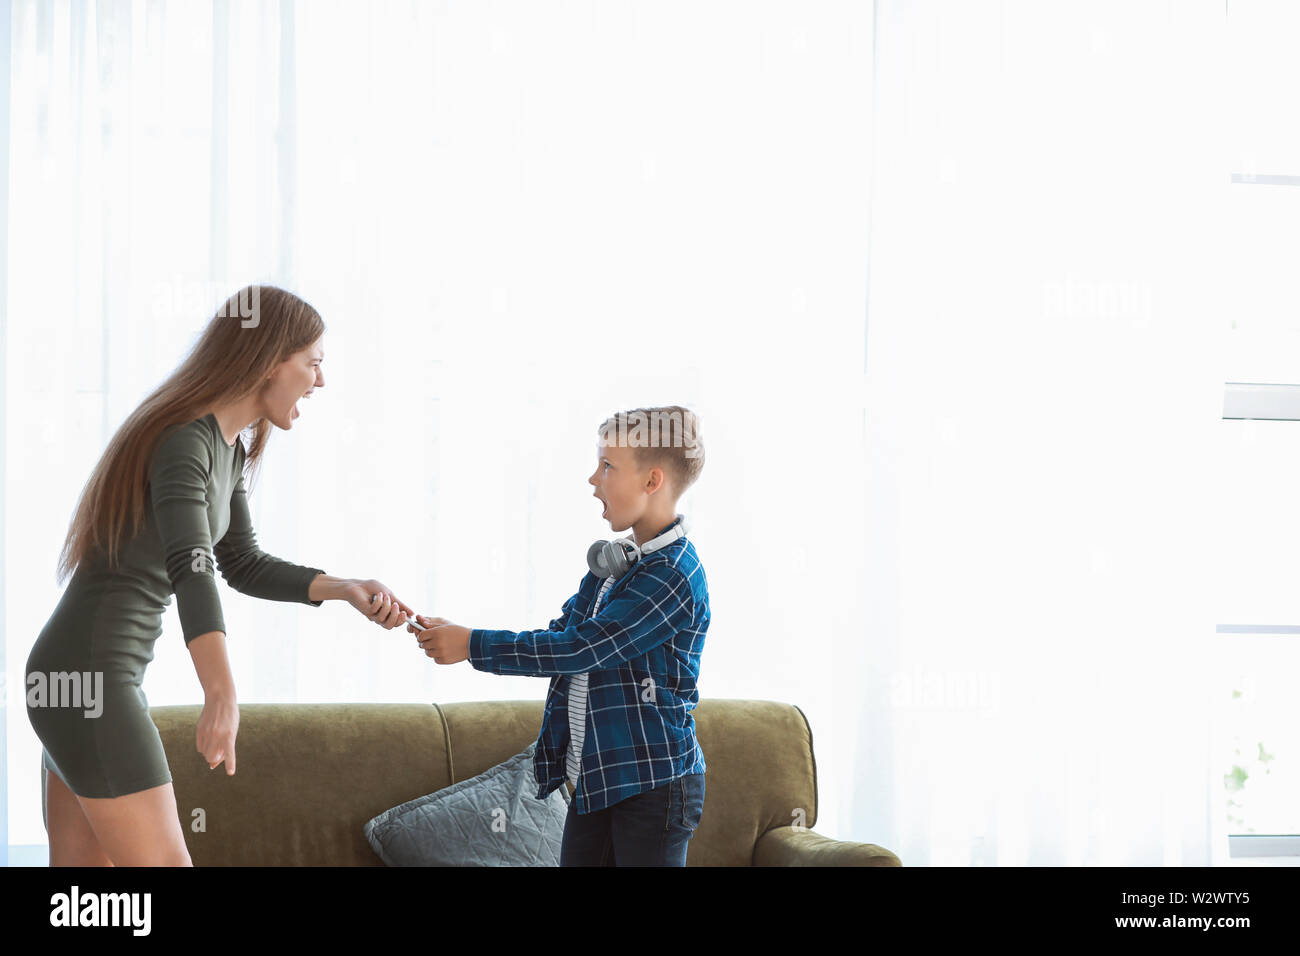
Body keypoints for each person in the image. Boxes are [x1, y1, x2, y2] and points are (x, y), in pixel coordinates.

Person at [25, 285, 416, 866]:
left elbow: (240, 562)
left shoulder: (226, 448)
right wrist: (221, 692)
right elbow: (192, 567)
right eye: (314, 362)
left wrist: (343, 588)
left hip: (72, 677)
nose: (322, 380)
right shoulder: (186, 441)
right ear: (269, 361)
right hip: (91, 681)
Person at [410, 405, 709, 866]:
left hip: (652, 785)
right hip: (600, 779)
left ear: (652, 481)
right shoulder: (617, 563)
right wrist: (459, 635)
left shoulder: (672, 575)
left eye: (607, 466)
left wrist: (473, 644)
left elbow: (582, 648)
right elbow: (562, 635)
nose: (594, 479)